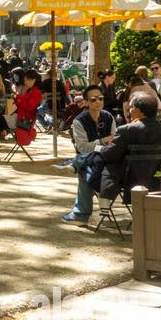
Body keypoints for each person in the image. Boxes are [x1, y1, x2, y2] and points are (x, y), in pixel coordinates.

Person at [96, 93, 161, 205]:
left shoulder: (126, 130)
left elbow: (110, 155)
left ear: (139, 111)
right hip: (153, 179)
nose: (129, 111)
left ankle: (104, 200)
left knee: (96, 164)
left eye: (131, 108)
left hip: (128, 178)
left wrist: (99, 148)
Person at [63, 85, 117, 223]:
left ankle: (81, 213)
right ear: (85, 102)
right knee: (88, 164)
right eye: (93, 100)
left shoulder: (108, 117)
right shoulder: (79, 121)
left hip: (108, 158)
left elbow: (115, 141)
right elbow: (83, 147)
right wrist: (103, 141)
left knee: (84, 165)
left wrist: (101, 145)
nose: (98, 102)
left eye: (100, 98)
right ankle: (83, 210)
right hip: (93, 158)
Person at [11, 69, 44, 147]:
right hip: (21, 117)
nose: (25, 82)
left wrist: (18, 98)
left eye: (26, 80)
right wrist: (17, 99)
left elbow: (29, 107)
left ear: (33, 80)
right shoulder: (30, 90)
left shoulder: (35, 92)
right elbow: (21, 104)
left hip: (24, 120)